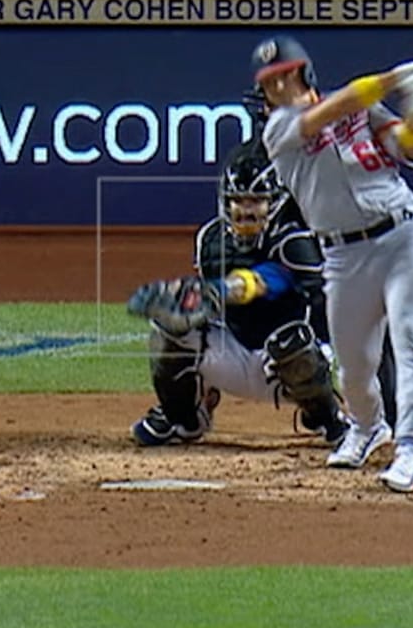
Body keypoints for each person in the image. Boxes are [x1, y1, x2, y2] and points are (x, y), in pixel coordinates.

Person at [252, 35, 413, 494]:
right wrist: (398, 77)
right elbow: (329, 112)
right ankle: (366, 427)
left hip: (402, 237)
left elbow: (410, 148)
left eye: (278, 78)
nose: (272, 89)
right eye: (267, 83)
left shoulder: (363, 111)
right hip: (342, 255)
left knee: (409, 336)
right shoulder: (279, 128)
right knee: (355, 367)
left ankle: (411, 450)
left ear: (298, 74)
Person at [127, 138, 398, 448]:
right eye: (238, 201)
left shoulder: (296, 240)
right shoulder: (210, 239)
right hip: (235, 354)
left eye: (255, 201)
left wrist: (221, 290)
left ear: (275, 202)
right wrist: (188, 297)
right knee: (168, 327)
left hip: (286, 366)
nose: (245, 211)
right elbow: (206, 307)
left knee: (292, 341)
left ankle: (326, 417)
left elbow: (271, 279)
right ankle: (183, 418)